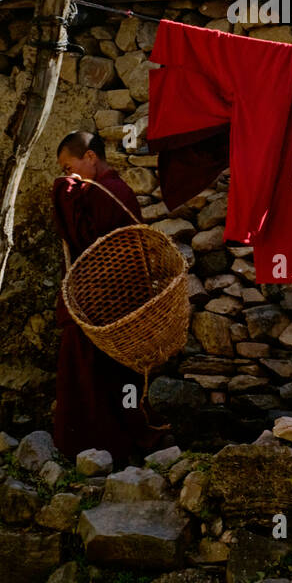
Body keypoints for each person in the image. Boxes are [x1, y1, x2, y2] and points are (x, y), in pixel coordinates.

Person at [51, 130, 169, 463]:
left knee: (99, 372)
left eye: (68, 167)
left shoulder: (109, 193)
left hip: (108, 303)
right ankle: (113, 443)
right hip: (111, 302)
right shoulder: (107, 191)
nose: (66, 176)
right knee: (97, 371)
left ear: (90, 157)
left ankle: (108, 445)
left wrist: (66, 193)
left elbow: (88, 240)